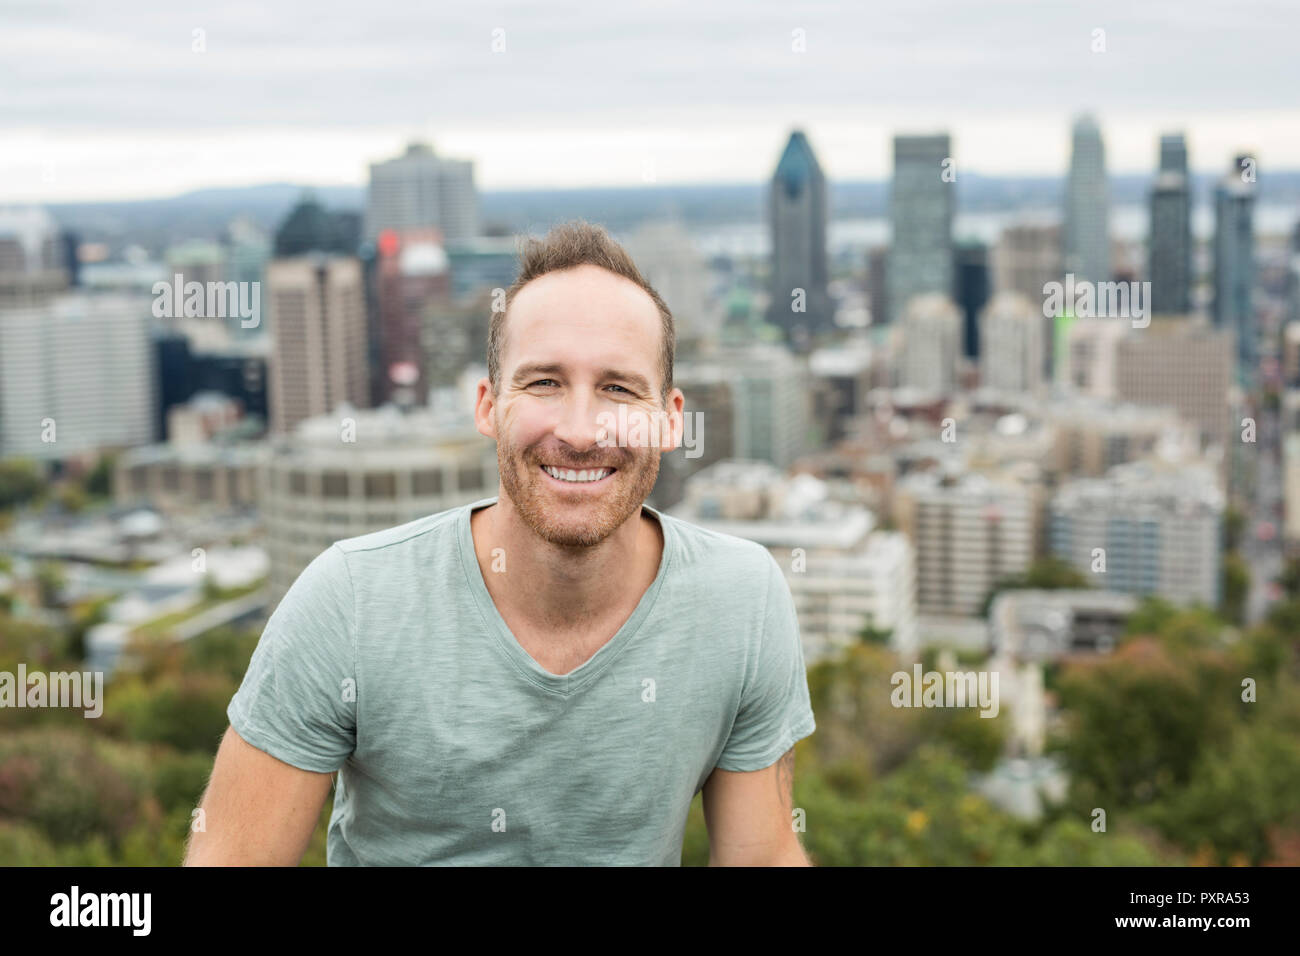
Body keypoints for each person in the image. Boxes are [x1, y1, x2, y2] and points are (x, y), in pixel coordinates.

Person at [184, 220, 816, 866]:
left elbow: (762, 857)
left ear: (671, 419)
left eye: (618, 389)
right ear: (487, 406)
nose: (578, 431)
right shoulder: (349, 602)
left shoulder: (741, 601)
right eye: (543, 382)